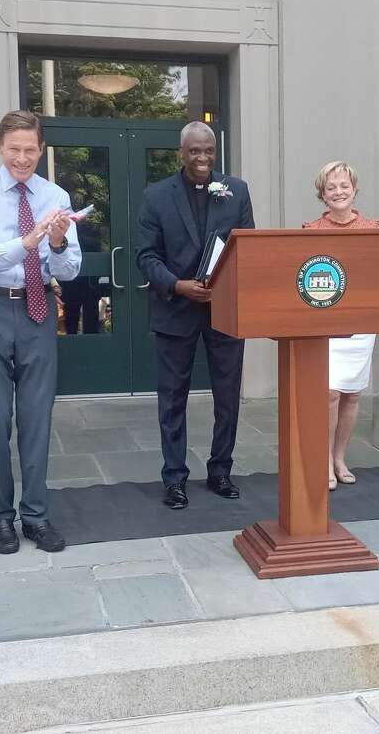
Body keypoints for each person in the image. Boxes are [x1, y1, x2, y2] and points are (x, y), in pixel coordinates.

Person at [0, 110, 81, 554]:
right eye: (14, 150)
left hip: (36, 307)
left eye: (30, 150)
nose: (22, 158)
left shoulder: (55, 195)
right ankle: (0, 518)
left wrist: (60, 241)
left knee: (37, 418)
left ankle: (36, 516)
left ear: (41, 149)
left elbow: (68, 269)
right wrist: (30, 241)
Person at [137, 121, 255, 509]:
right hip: (176, 308)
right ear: (181, 153)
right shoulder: (156, 196)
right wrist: (176, 285)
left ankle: (221, 470)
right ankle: (174, 478)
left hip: (225, 310)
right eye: (194, 151)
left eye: (208, 151)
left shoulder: (236, 191)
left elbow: (247, 249)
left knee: (227, 395)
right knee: (172, 398)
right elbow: (146, 256)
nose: (202, 158)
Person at [303, 161, 379, 491]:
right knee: (331, 393)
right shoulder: (310, 231)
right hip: (327, 320)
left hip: (362, 320)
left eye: (344, 186)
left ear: (354, 189)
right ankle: (322, 461)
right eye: (331, 187)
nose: (338, 192)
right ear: (322, 194)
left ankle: (339, 457)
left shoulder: (373, 228)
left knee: (352, 394)